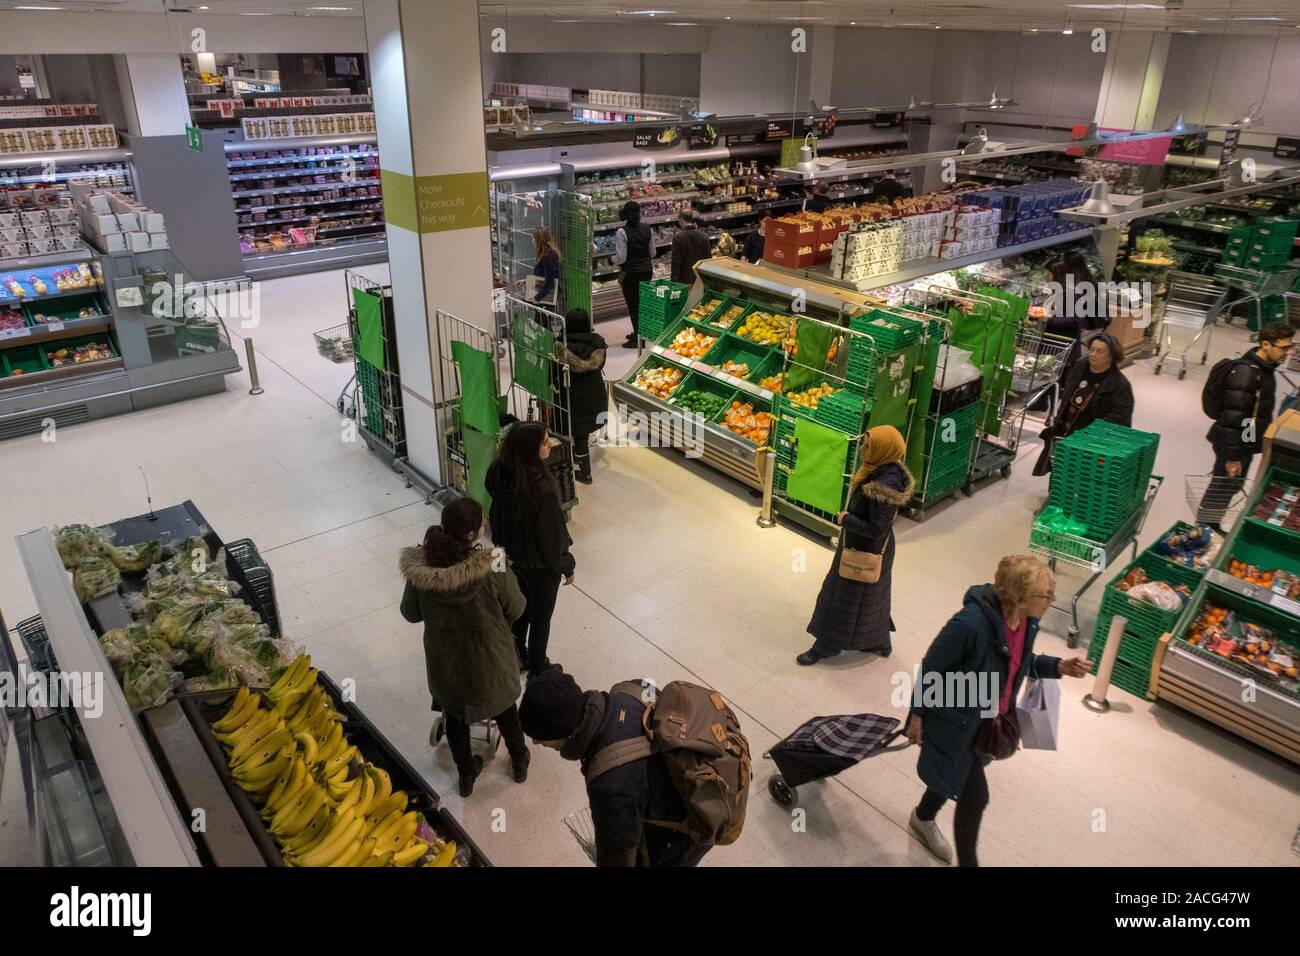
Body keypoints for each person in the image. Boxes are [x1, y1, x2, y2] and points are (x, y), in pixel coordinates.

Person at [905, 555, 1090, 867]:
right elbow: (932, 669)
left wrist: (1057, 666)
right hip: (956, 718)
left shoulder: (1025, 622)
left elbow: (1018, 661)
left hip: (989, 720)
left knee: (956, 773)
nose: (1053, 600)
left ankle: (922, 817)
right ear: (1020, 595)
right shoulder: (970, 624)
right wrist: (917, 715)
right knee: (975, 796)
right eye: (1046, 594)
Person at [400, 499, 531, 797]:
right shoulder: (492, 567)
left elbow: (410, 613)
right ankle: (520, 758)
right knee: (504, 710)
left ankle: (466, 774)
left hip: (446, 661)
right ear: (473, 534)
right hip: (490, 658)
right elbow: (518, 607)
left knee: (456, 715)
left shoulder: (421, 570)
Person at [518, 671, 710, 867]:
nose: (534, 742)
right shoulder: (631, 688)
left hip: (685, 832)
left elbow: (616, 857)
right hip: (698, 777)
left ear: (561, 731)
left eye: (540, 739)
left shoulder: (609, 785)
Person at [799, 425, 913, 666]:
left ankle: (826, 645)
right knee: (872, 598)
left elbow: (876, 529)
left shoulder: (883, 486)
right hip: (869, 550)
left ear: (883, 450)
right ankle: (878, 641)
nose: (862, 449)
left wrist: (846, 519)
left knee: (842, 599)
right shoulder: (883, 469)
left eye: (869, 446)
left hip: (864, 550)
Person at [485, 420, 575, 679]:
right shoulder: (541, 488)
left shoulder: (499, 474)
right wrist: (566, 564)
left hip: (513, 557)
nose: (549, 446)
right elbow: (551, 536)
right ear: (530, 450)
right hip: (541, 565)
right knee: (541, 617)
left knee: (520, 608)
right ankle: (538, 668)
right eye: (545, 442)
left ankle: (516, 654)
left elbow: (495, 515)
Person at [1199, 321, 1295, 527]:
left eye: (1290, 347)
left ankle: (1209, 526)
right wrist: (1234, 457)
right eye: (1284, 347)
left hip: (1243, 440)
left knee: (1230, 485)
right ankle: (1203, 529)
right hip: (1232, 442)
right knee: (1223, 485)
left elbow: (1250, 416)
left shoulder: (1263, 370)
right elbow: (1234, 420)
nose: (1288, 353)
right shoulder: (1247, 374)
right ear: (1266, 344)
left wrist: (1249, 445)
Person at [1033, 332, 1134, 476]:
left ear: (1111, 356)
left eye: (1100, 351)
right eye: (1092, 349)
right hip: (1065, 433)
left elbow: (1121, 420)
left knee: (1081, 477)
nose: (1093, 354)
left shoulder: (1120, 385)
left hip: (1091, 443)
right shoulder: (1081, 366)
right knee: (1059, 470)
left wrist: (1091, 433)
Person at [559, 308, 608, 485]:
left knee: (578, 434)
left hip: (573, 397)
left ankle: (585, 474)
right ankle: (579, 461)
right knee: (582, 433)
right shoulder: (598, 343)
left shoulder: (561, 345)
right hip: (595, 396)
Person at [613, 200, 653, 349]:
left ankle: (638, 339)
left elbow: (621, 257)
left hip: (631, 274)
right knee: (643, 304)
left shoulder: (621, 232)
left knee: (634, 306)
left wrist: (613, 260)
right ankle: (640, 332)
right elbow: (653, 252)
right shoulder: (647, 228)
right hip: (647, 272)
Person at [669, 208, 711, 286]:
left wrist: (673, 282)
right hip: (700, 279)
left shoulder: (678, 237)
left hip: (684, 281)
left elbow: (676, 262)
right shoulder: (703, 236)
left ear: (681, 220)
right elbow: (708, 259)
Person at [530, 227, 561, 305]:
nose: (532, 241)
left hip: (546, 297)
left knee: (542, 317)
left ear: (539, 240)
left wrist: (537, 298)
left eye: (533, 238)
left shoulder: (547, 257)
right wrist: (526, 280)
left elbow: (550, 282)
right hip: (544, 294)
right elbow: (543, 274)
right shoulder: (546, 253)